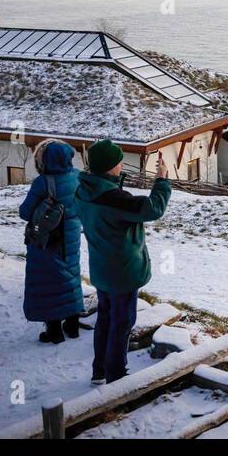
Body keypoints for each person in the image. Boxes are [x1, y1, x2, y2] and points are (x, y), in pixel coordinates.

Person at [75, 139, 171, 385]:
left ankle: (100, 370)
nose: (121, 166)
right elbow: (153, 209)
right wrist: (161, 180)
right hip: (122, 271)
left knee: (105, 319)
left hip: (102, 268)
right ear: (109, 167)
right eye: (118, 162)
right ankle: (116, 377)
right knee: (122, 322)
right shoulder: (113, 199)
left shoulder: (84, 191)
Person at [18, 139, 84, 344]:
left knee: (48, 281)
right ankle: (72, 326)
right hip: (71, 237)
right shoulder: (77, 177)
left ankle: (54, 330)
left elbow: (25, 212)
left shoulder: (43, 182)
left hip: (48, 240)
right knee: (70, 277)